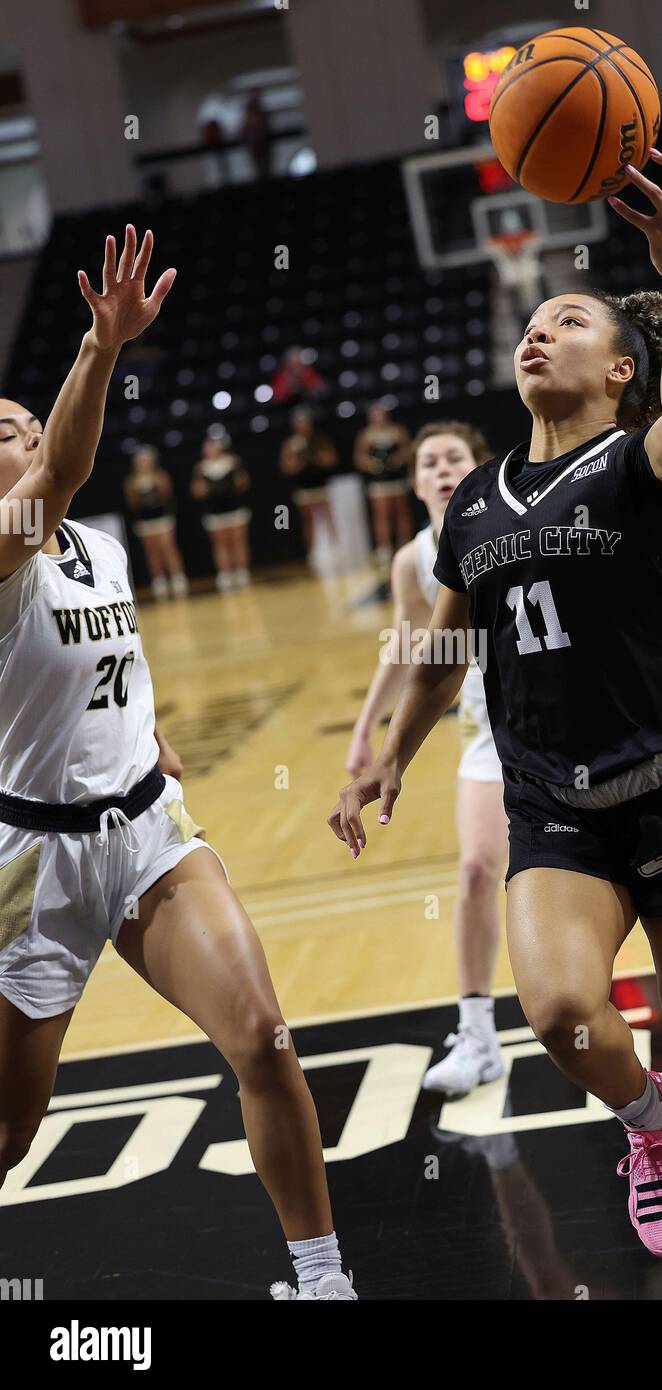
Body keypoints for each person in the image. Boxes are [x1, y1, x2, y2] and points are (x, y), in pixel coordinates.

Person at [328, 148, 662, 1301]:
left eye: (568, 320)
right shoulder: (474, 505)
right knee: (557, 1011)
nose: (537, 333)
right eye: (532, 324)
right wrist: (384, 761)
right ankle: (653, 1125)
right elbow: (445, 654)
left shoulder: (643, 460)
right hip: (557, 805)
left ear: (619, 369)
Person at [0, 225, 356, 1300]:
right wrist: (102, 346)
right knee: (12, 1132)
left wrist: (144, 733)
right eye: (1, 429)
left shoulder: (98, 547)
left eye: (14, 421)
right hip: (34, 865)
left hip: (150, 832)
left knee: (263, 1038)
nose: (16, 436)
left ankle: (321, 1278)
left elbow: (112, 659)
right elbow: (62, 466)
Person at [347, 421, 506, 1094]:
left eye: (455, 458)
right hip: (487, 734)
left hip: (564, 722)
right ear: (413, 482)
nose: (442, 468)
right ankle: (478, 1036)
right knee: (475, 869)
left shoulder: (509, 518)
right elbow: (413, 644)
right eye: (430, 461)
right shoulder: (413, 558)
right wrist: (368, 730)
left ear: (478, 466)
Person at [123, 444, 188, 600]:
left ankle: (177, 578)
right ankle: (159, 581)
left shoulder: (160, 476)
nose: (143, 463)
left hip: (162, 518)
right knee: (152, 552)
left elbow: (166, 496)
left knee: (168, 548)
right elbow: (132, 503)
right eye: (140, 460)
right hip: (145, 521)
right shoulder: (131, 481)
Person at [191, 433, 252, 590]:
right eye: (208, 445)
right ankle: (225, 574)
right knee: (220, 544)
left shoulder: (233, 462)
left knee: (238, 541)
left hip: (234, 508)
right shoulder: (201, 468)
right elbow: (197, 491)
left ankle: (242, 572)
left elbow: (243, 483)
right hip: (214, 511)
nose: (210, 448)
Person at [354, 404, 414, 564]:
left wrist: (399, 459)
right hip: (379, 482)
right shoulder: (366, 436)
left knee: (402, 512)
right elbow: (359, 458)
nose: (379, 419)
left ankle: (405, 544)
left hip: (397, 479)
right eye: (375, 416)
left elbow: (409, 450)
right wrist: (372, 464)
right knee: (381, 515)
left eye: (381, 415)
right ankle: (384, 547)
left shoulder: (398, 431)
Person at [279, 407, 338, 560]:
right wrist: (300, 461)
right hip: (303, 487)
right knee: (308, 520)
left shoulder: (319, 439)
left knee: (328, 516)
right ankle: (313, 552)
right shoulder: (291, 444)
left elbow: (331, 459)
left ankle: (335, 547)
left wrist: (317, 458)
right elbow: (287, 467)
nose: (303, 425)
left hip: (320, 484)